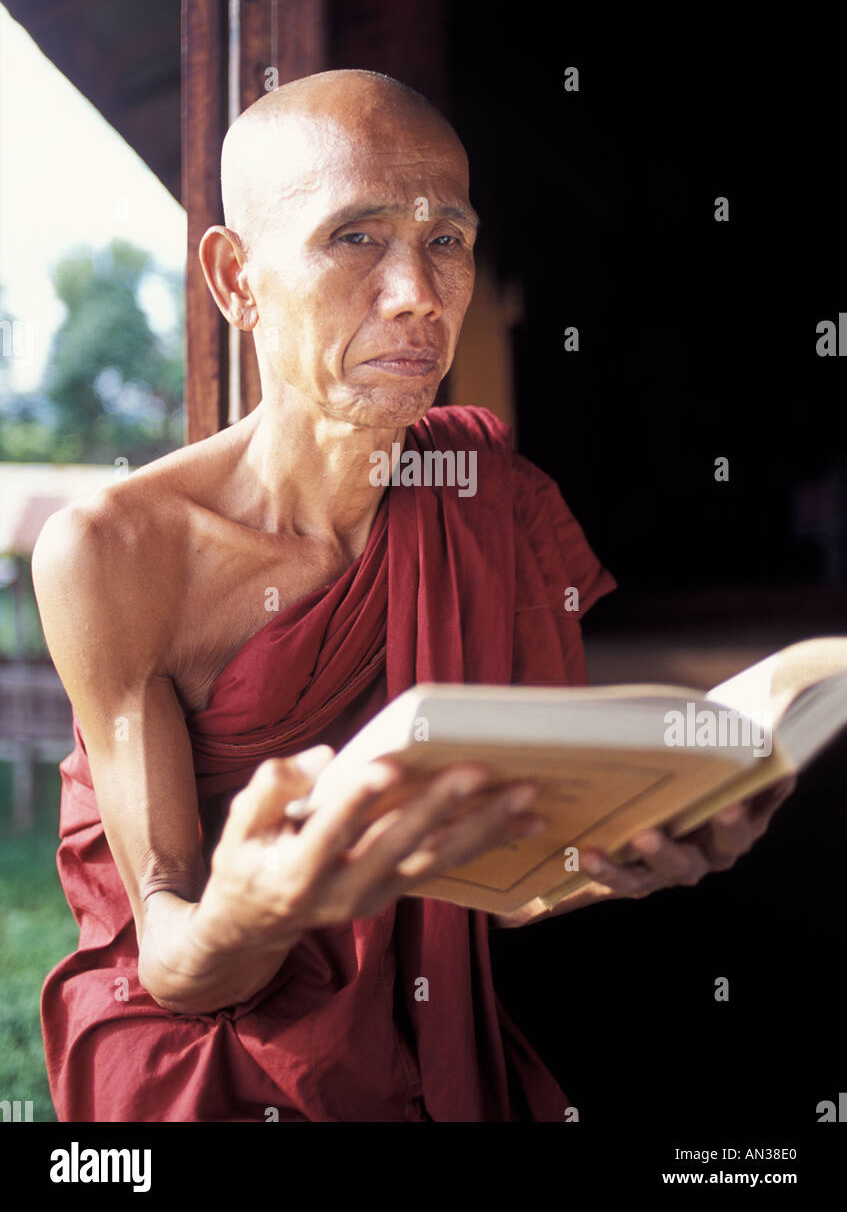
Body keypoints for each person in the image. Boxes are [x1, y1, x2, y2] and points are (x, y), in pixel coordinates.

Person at [33, 70, 794, 1122]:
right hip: (197, 1057)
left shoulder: (491, 498)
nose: (418, 297)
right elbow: (174, 956)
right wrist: (253, 912)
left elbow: (506, 873)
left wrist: (628, 852)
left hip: (423, 1048)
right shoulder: (114, 552)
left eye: (447, 241)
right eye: (357, 237)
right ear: (236, 277)